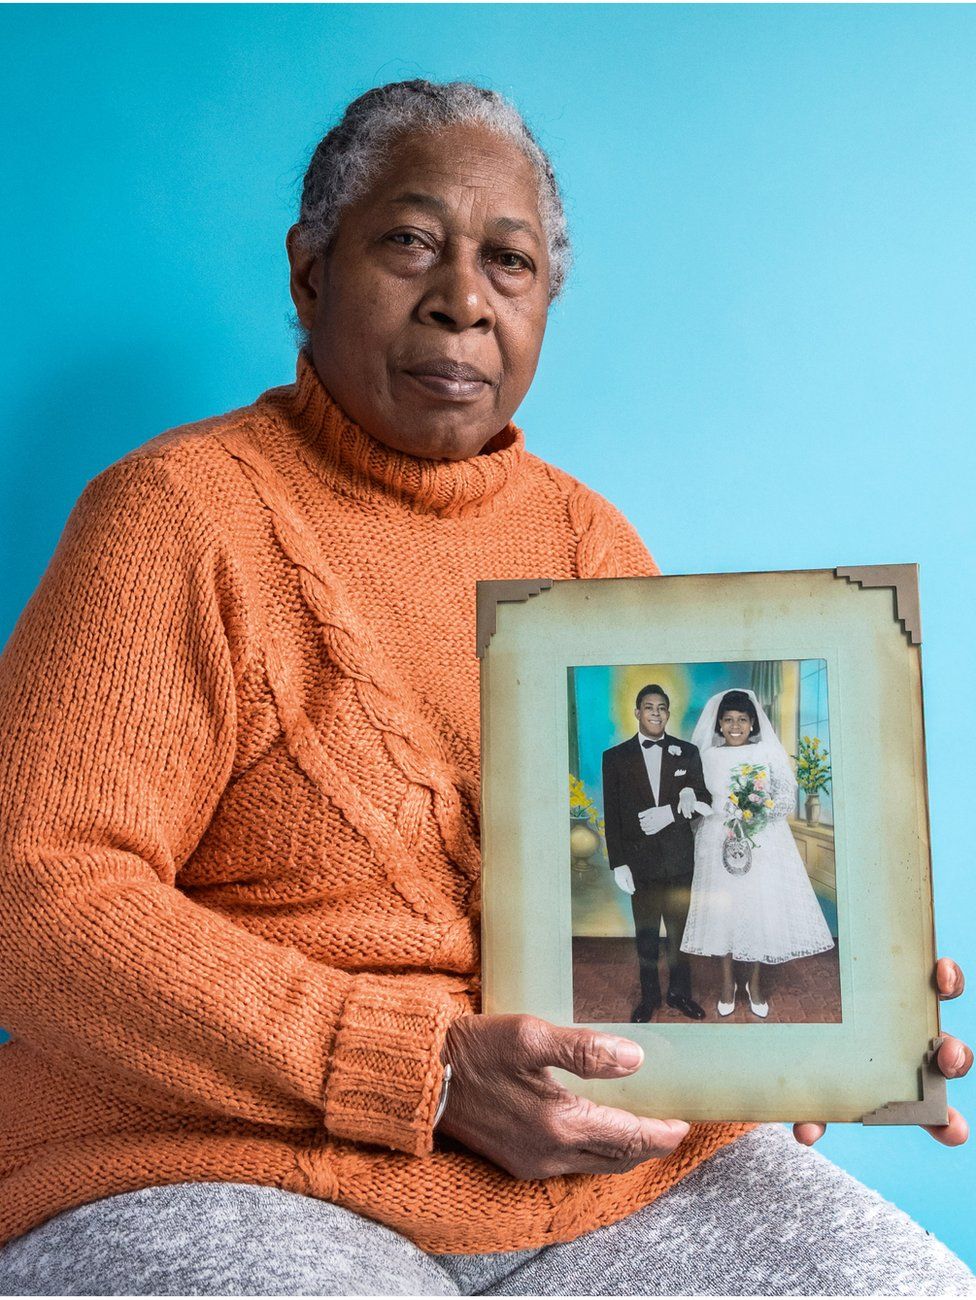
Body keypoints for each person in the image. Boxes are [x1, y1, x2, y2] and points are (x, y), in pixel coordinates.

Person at [0, 79, 972, 1297]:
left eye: (507, 261)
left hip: (598, 1170)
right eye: (411, 242)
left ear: (545, 303)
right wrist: (423, 1068)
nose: (462, 299)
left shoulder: (585, 541)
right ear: (309, 271)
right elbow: (35, 902)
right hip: (221, 1161)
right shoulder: (174, 520)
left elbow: (637, 927)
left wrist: (827, 1037)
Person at [681, 689, 834, 1019]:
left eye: (742, 720)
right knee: (722, 913)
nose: (735, 726)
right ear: (719, 724)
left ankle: (754, 985)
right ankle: (727, 986)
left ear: (752, 724)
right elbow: (699, 797)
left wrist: (754, 810)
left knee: (757, 910)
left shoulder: (766, 752)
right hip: (718, 839)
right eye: (728, 720)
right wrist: (712, 807)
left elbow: (784, 799)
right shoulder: (707, 756)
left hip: (760, 840)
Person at [602, 684, 711, 1021]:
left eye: (662, 707)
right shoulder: (615, 757)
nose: (655, 713)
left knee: (679, 935)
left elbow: (705, 800)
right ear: (637, 712)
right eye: (648, 707)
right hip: (640, 864)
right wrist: (618, 863)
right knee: (647, 936)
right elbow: (613, 814)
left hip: (679, 861)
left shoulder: (687, 752)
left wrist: (672, 811)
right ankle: (649, 998)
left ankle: (680, 994)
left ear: (668, 712)